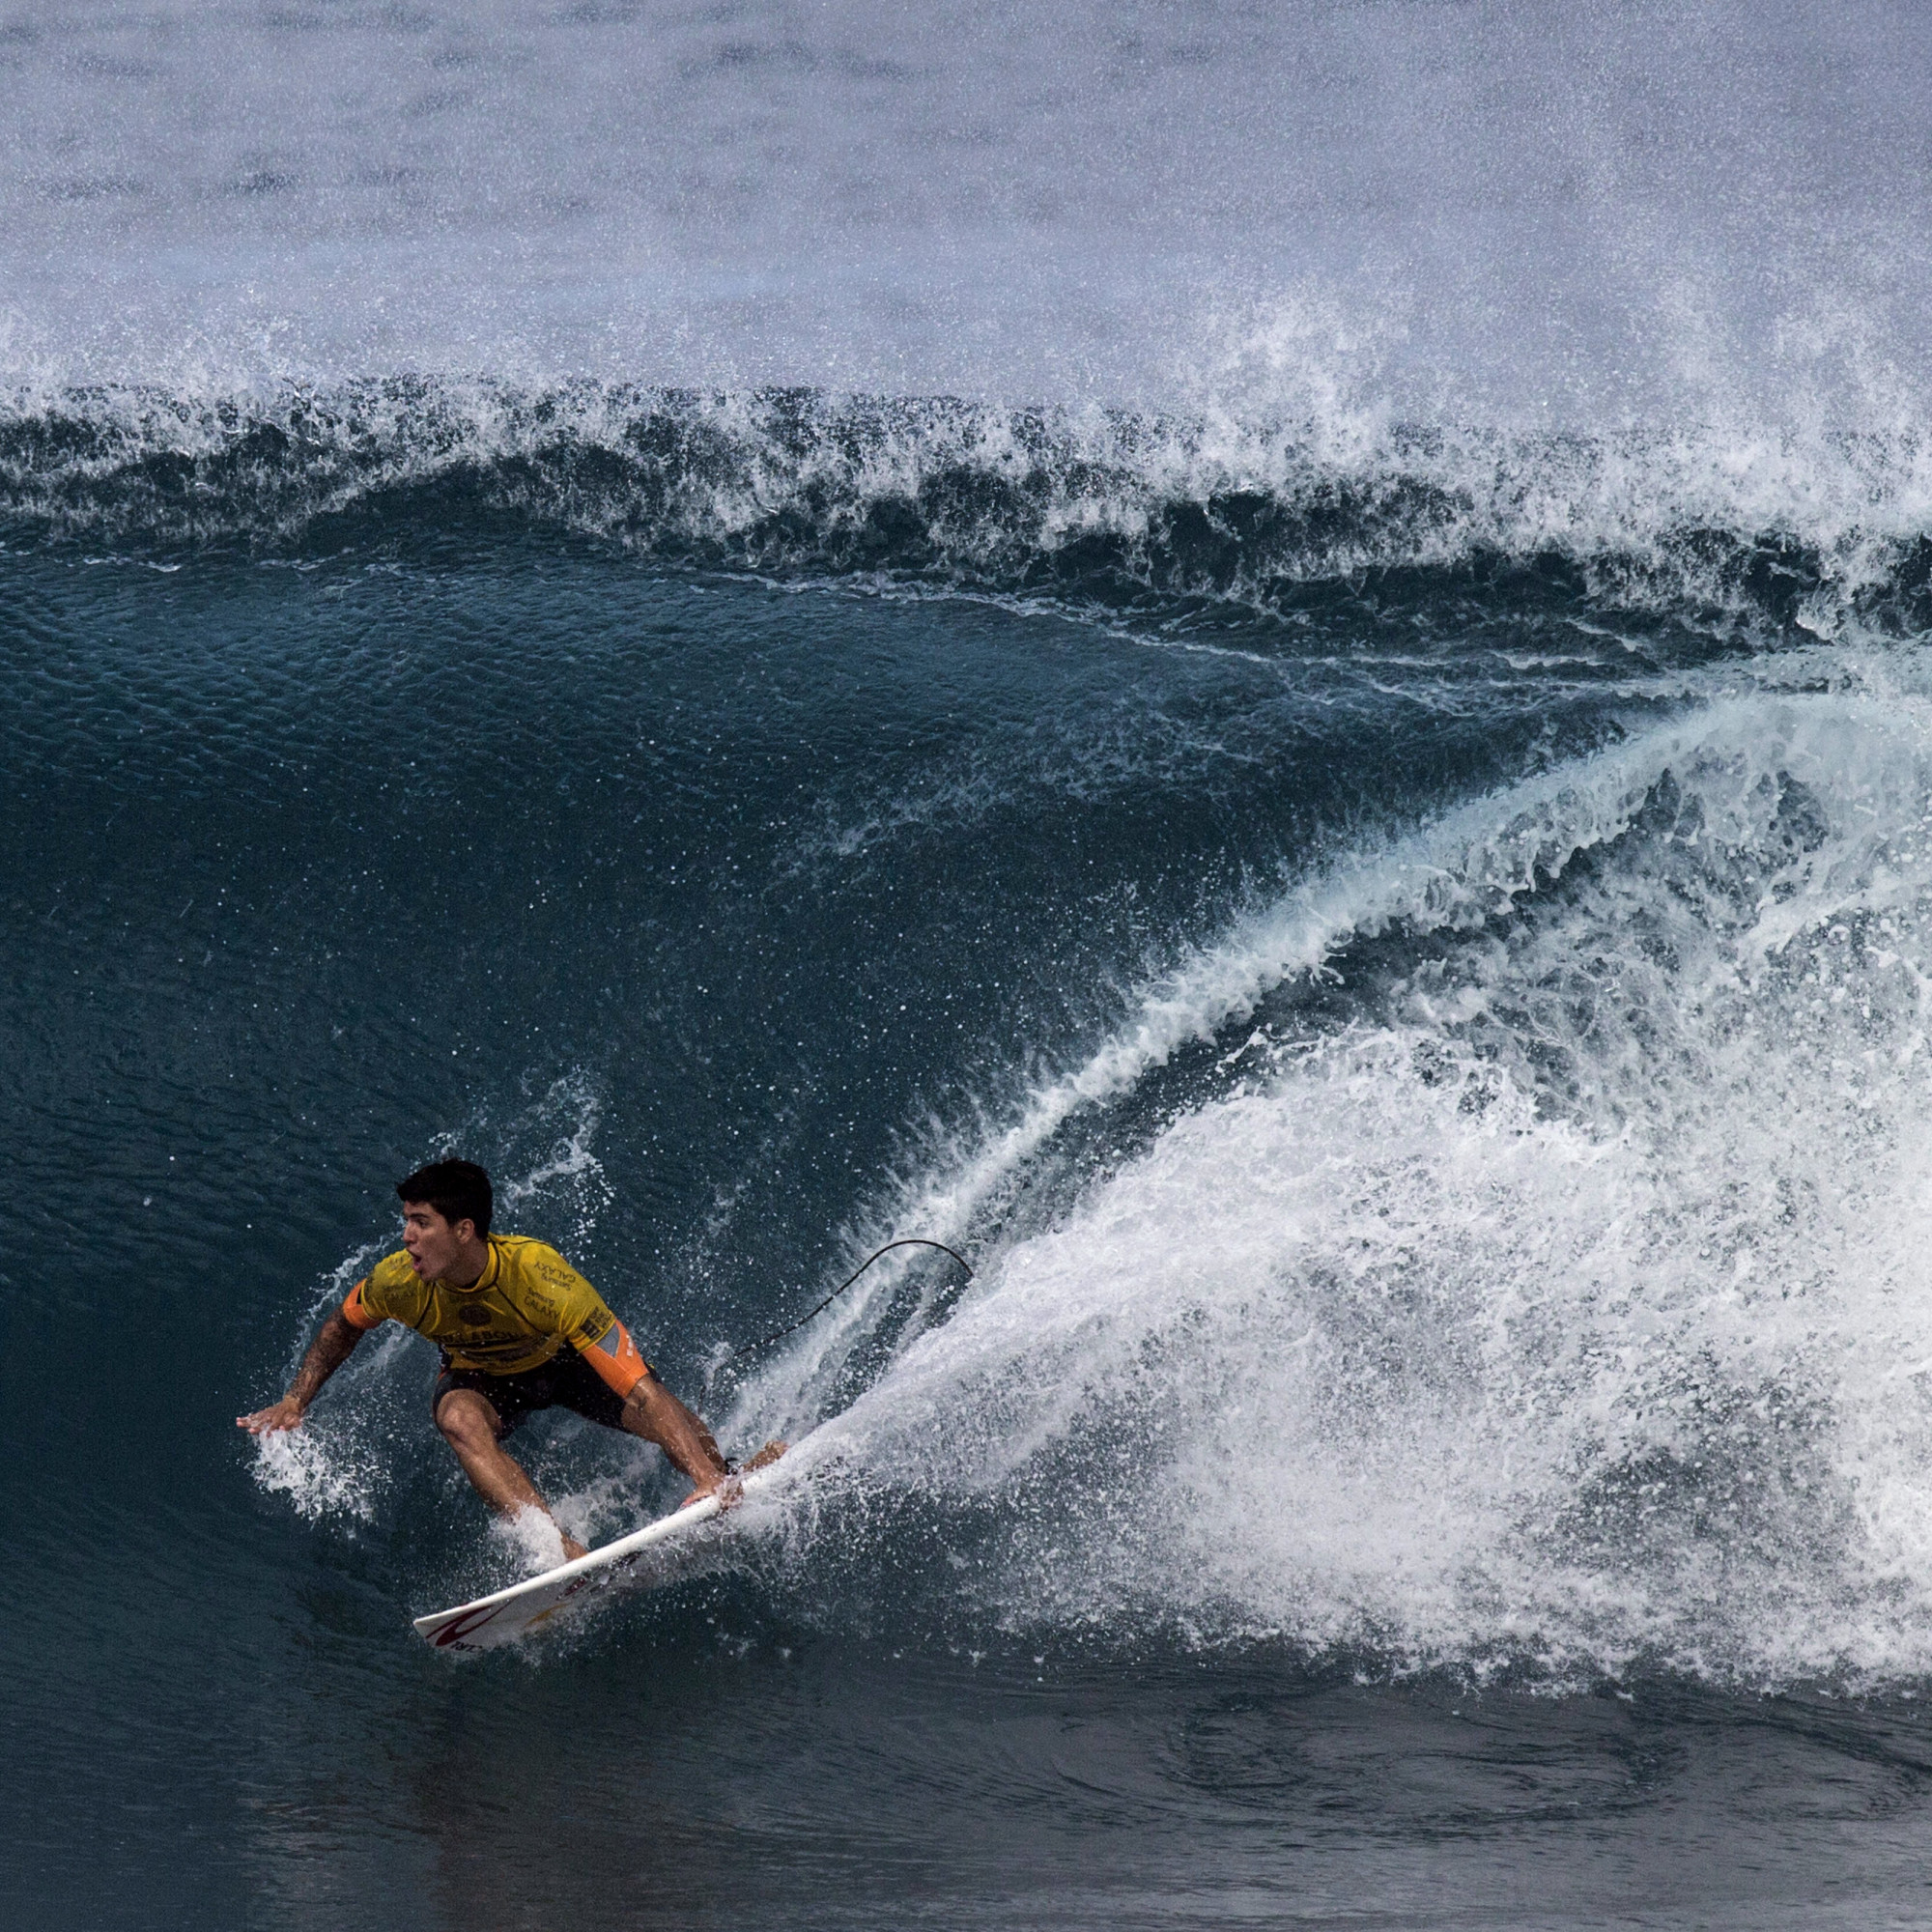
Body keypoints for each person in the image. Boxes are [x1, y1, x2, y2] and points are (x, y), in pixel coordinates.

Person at [238, 1158, 736, 1562]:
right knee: (457, 1419)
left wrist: (704, 1477)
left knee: (665, 1414)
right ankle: (563, 1553)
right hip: (482, 1379)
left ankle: (723, 1479)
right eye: (406, 1221)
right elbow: (342, 1326)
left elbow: (640, 1388)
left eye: (421, 1222)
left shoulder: (541, 1278)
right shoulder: (399, 1281)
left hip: (562, 1364)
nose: (407, 1236)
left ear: (463, 1230)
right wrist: (294, 1399)